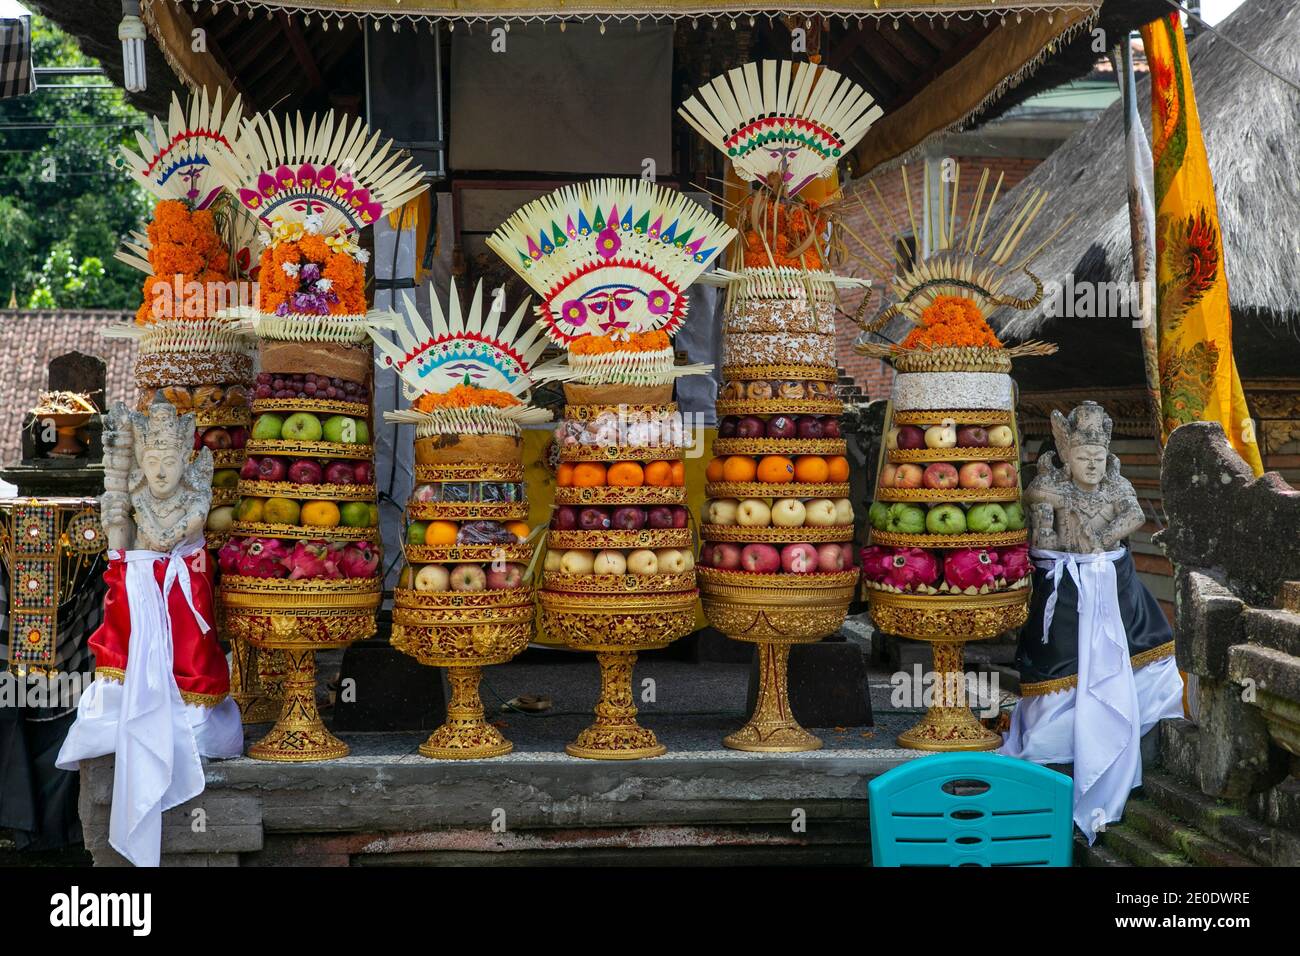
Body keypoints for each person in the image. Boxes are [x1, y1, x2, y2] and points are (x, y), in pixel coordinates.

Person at [56, 398, 241, 866]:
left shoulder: (195, 495)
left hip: (179, 584)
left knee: (190, 641)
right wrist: (116, 528)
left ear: (186, 460)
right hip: (142, 581)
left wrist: (149, 544)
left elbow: (177, 532)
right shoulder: (135, 495)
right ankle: (124, 708)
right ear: (140, 461)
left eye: (170, 462)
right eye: (152, 462)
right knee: (120, 611)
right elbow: (123, 546)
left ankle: (188, 715)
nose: (160, 473)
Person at [1000, 401, 1183, 842]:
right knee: (1061, 657)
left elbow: (1135, 515)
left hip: (1109, 576)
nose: (1092, 467)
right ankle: (1057, 743)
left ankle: (1121, 723)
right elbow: (1038, 516)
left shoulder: (1116, 485)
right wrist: (1053, 520)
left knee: (1144, 651)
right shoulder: (1051, 486)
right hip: (1066, 581)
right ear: (1066, 457)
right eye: (1083, 459)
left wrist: (1102, 534)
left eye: (1098, 459)